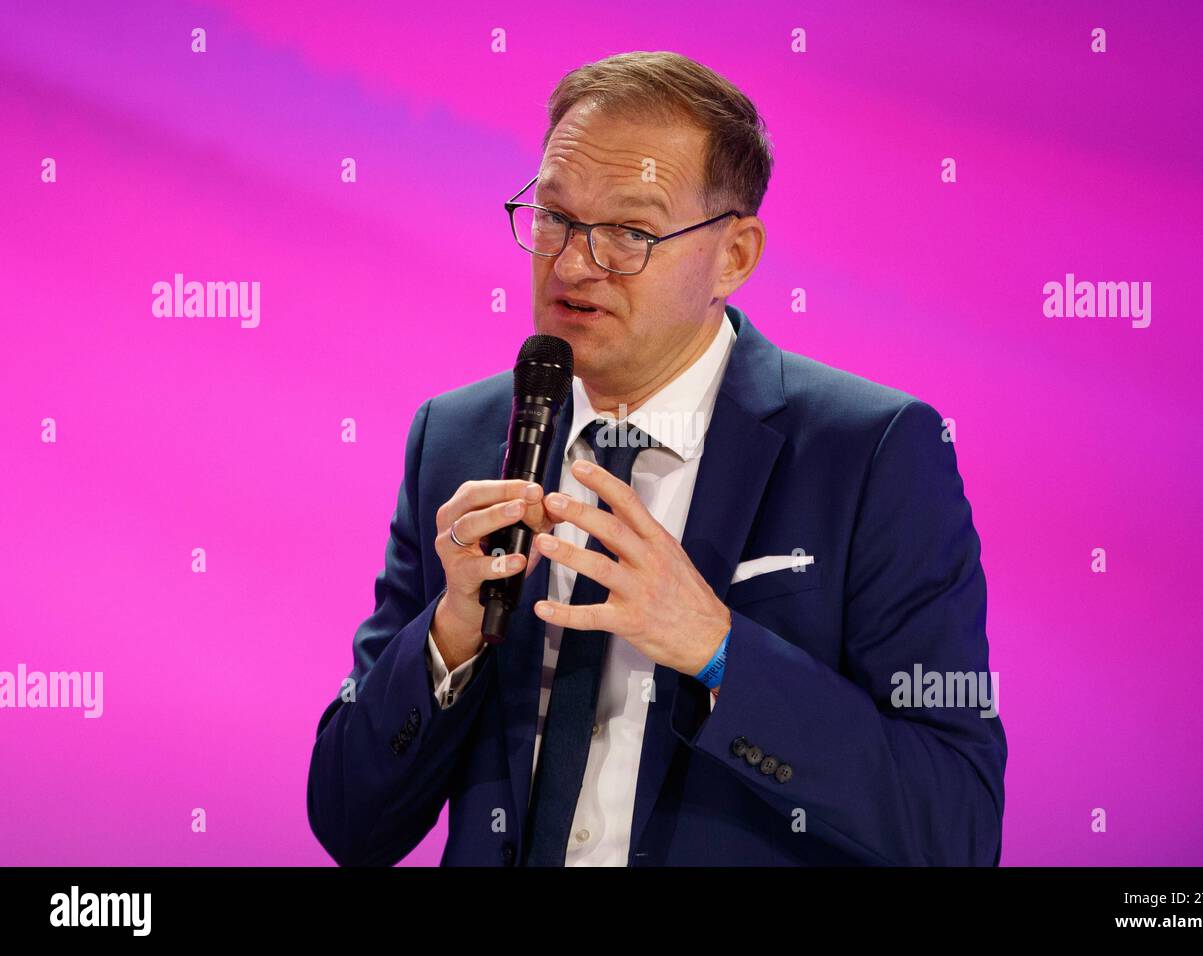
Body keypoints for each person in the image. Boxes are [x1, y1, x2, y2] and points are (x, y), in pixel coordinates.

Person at [307, 50, 1007, 867]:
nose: (571, 265)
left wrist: (719, 647)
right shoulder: (457, 438)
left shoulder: (870, 454)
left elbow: (956, 826)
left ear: (735, 256)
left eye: (630, 233)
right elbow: (349, 821)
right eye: (554, 218)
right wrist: (452, 635)